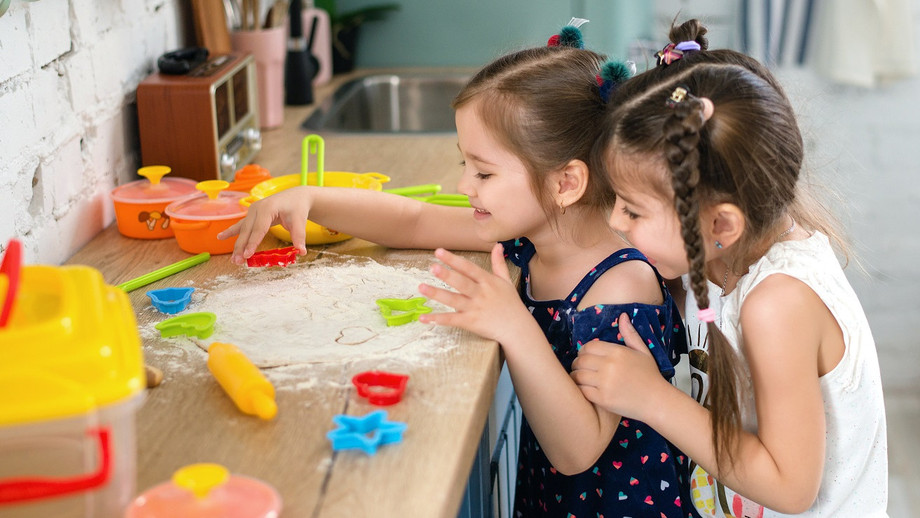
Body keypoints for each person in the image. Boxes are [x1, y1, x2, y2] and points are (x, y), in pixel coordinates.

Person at [221, 22, 701, 518]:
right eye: (465, 164)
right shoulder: (530, 237)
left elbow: (578, 450)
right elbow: (413, 220)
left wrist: (513, 324)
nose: (464, 184)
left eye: (483, 172)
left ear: (566, 183)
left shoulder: (621, 285)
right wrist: (311, 198)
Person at [571, 19, 888, 518]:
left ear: (721, 222)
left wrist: (650, 397)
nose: (615, 220)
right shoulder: (728, 256)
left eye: (632, 209)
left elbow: (790, 488)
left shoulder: (776, 304)